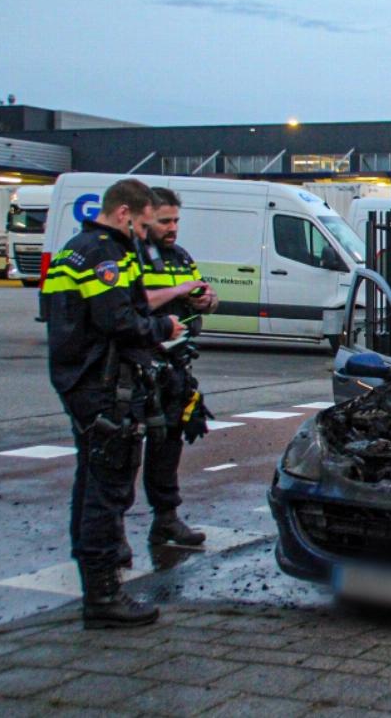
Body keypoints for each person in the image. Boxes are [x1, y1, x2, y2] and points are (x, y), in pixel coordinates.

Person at [42, 178, 184, 629]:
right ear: (125, 213)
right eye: (144, 224)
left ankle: (94, 569)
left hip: (80, 378)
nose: (145, 234)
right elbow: (118, 319)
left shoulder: (73, 248)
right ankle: (103, 595)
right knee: (109, 485)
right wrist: (164, 330)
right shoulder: (107, 253)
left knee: (91, 478)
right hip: (103, 383)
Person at [137, 186, 218, 554]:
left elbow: (207, 299)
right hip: (139, 364)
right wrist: (180, 291)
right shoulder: (130, 255)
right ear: (144, 217)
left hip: (175, 365)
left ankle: (165, 519)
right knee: (122, 454)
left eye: (176, 221)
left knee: (169, 444)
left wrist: (204, 298)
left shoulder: (179, 256)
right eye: (164, 220)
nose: (172, 228)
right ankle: (111, 537)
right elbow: (130, 301)